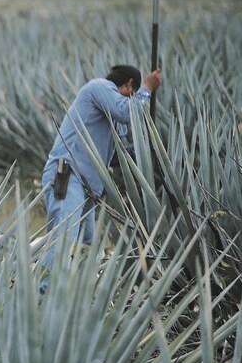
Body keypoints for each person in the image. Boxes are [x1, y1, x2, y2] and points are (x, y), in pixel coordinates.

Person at [38, 64, 162, 291]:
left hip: (87, 188)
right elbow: (128, 113)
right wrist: (147, 88)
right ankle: (42, 296)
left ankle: (75, 296)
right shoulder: (99, 88)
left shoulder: (111, 118)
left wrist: (150, 151)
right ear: (129, 86)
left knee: (86, 243)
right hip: (68, 175)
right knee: (64, 240)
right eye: (134, 94)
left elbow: (119, 156)